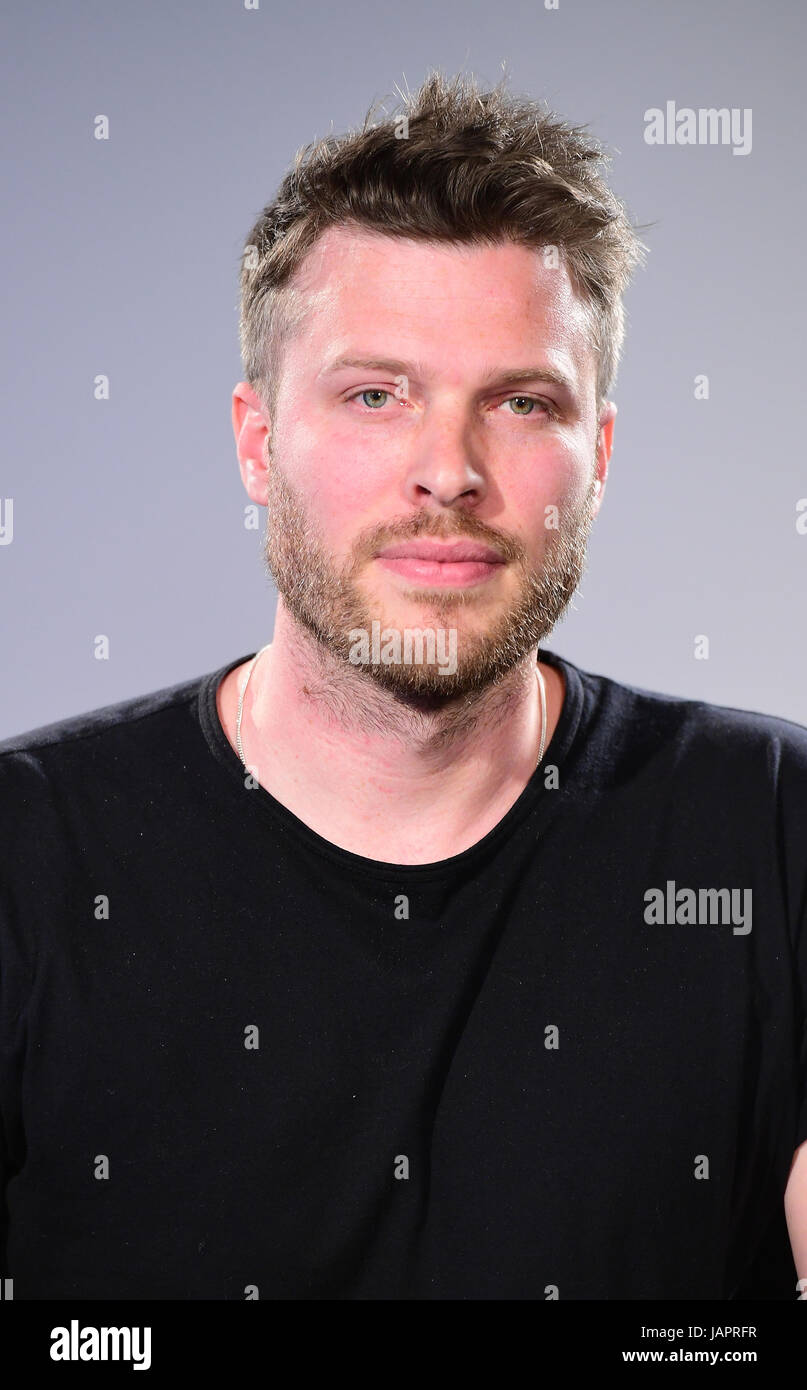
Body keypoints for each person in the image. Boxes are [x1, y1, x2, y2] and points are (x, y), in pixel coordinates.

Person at [1, 70, 805, 1301]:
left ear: (596, 454)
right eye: (376, 395)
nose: (449, 470)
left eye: (520, 401)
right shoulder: (29, 857)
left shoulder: (775, 827)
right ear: (257, 443)